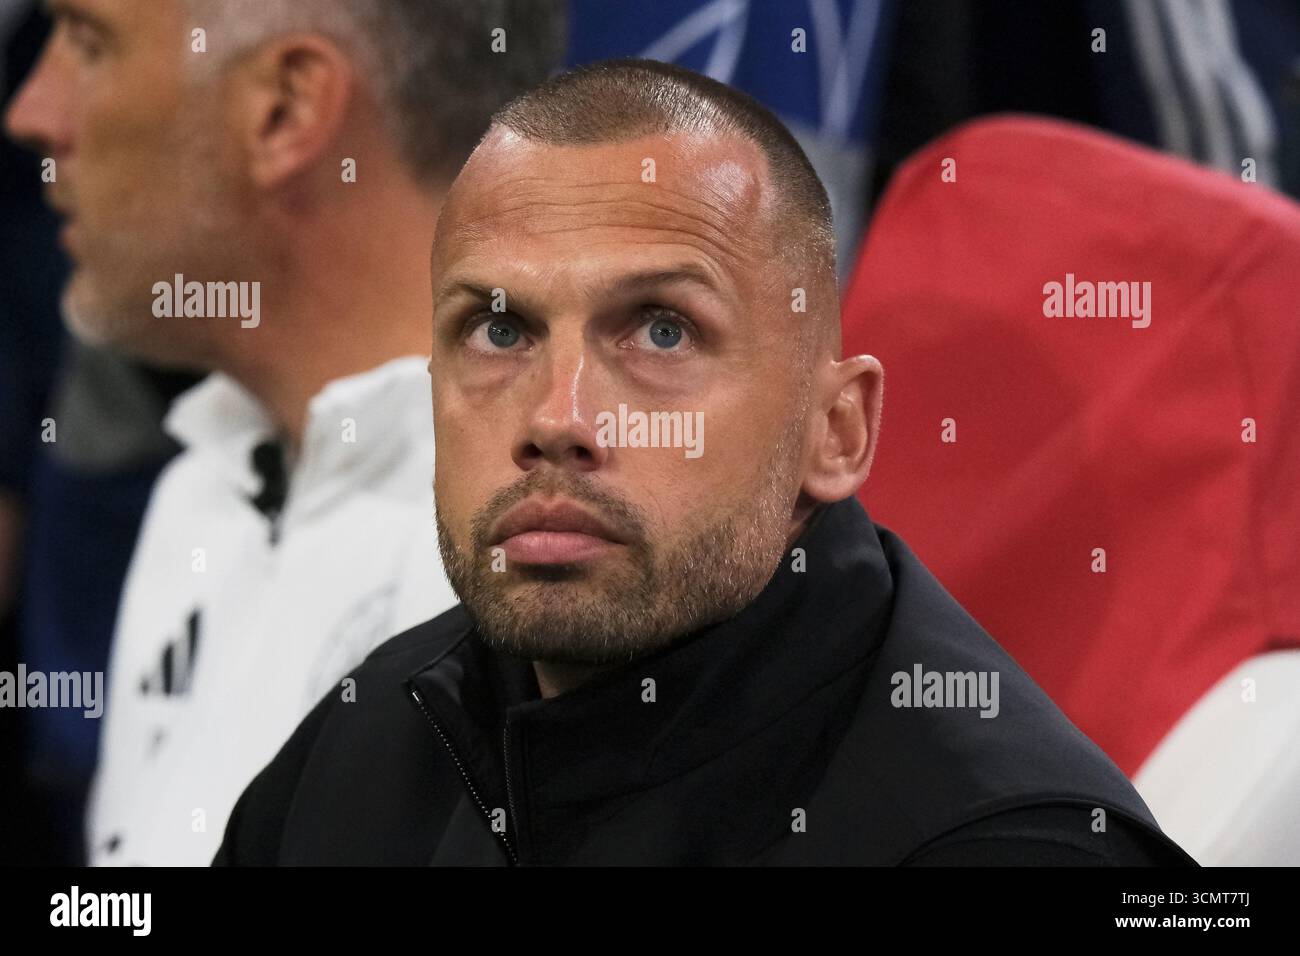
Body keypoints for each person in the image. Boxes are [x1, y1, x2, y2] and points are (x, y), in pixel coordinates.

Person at [214, 58, 1196, 866]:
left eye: (663, 331)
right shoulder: (368, 743)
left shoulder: (1013, 849)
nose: (557, 419)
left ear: (836, 429)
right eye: (500, 329)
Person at [3, 0, 564, 866]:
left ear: (287, 109)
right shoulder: (203, 490)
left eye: (88, 41)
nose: (30, 112)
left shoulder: (552, 558)